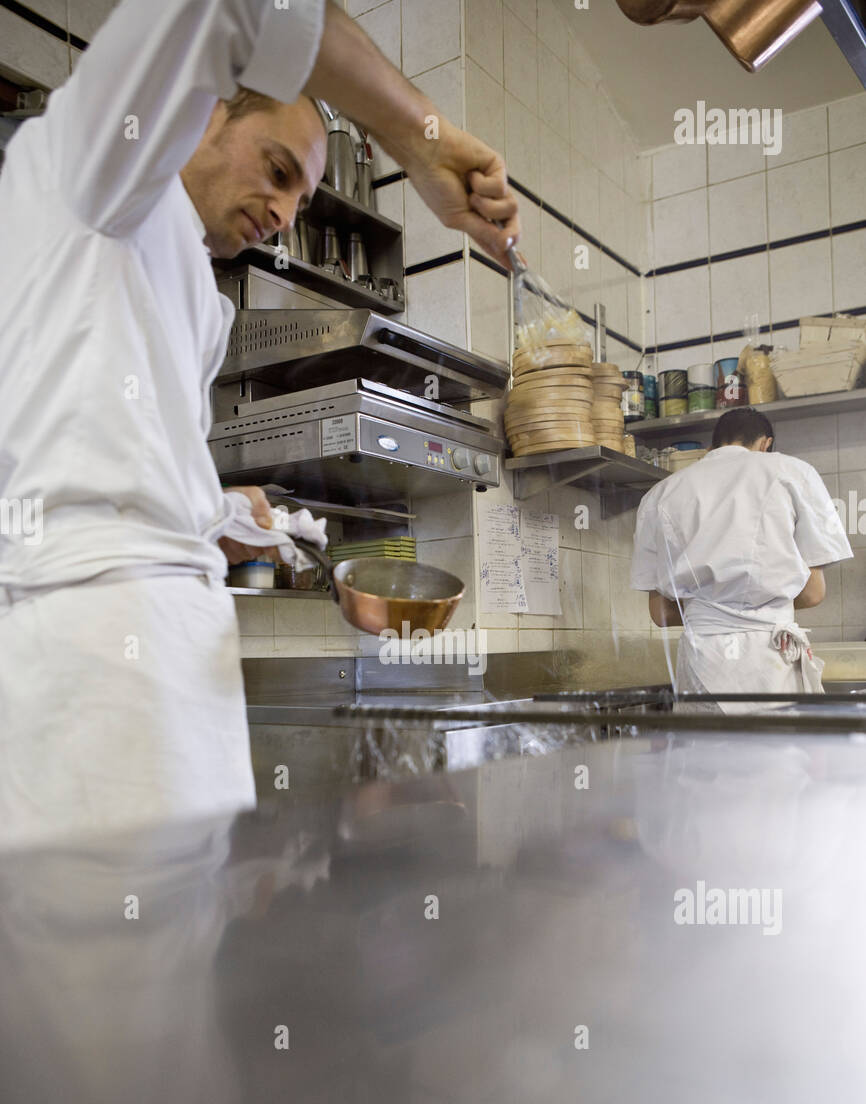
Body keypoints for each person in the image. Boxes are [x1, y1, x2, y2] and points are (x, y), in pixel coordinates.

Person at [0, 0, 520, 850]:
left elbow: (109, 466)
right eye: (277, 170)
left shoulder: (190, 291)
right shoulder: (87, 172)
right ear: (200, 113)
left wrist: (220, 519)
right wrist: (425, 140)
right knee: (101, 963)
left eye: (301, 197)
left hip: (180, 657)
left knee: (177, 958)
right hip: (89, 660)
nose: (283, 213)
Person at [630, 406, 852, 711]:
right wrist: (753, 605)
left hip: (700, 667)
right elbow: (813, 593)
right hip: (769, 663)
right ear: (765, 445)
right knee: (772, 757)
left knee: (706, 756)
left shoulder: (659, 494)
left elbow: (661, 613)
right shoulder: (792, 472)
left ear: (711, 448)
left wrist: (714, 605)